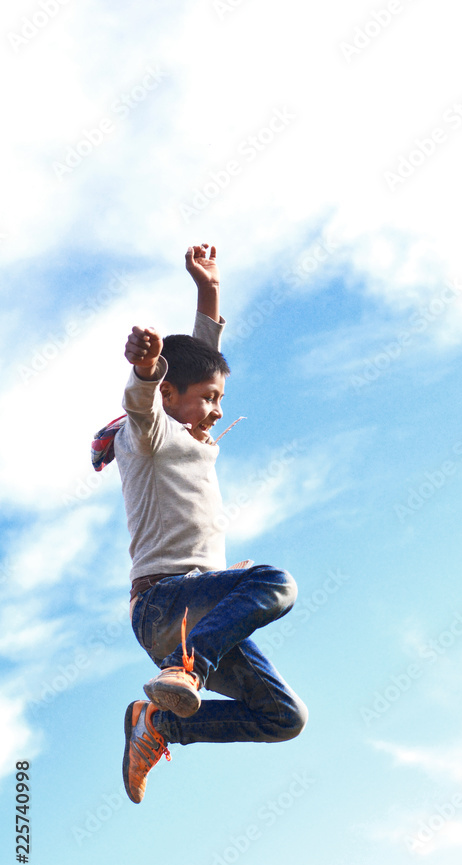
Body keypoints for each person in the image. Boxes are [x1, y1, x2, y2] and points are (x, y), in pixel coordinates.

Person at [93, 244, 307, 804]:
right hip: (164, 604)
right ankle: (189, 671)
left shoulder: (188, 433)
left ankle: (158, 725)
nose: (216, 409)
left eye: (220, 399)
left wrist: (208, 290)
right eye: (208, 399)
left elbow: (200, 358)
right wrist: (145, 367)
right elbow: (145, 400)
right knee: (275, 582)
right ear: (169, 395)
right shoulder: (150, 435)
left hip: (199, 613)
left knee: (283, 716)